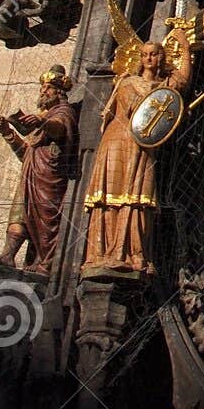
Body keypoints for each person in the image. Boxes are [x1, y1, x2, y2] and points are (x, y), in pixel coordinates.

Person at [81, 29, 191, 275]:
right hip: (119, 142)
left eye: (154, 54)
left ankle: (134, 253)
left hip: (143, 147)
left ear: (162, 58)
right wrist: (164, 90)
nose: (150, 59)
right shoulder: (128, 83)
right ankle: (103, 253)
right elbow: (141, 110)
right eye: (145, 55)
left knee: (139, 199)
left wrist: (183, 47)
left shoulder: (163, 86)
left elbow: (181, 82)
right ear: (140, 58)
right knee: (111, 197)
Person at [0, 67, 79, 274]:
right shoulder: (42, 119)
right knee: (19, 212)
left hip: (49, 176)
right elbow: (26, 152)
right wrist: (7, 132)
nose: (44, 92)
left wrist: (43, 121)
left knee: (46, 218)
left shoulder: (64, 112)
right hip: (31, 173)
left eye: (49, 88)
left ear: (59, 92)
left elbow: (61, 128)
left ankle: (47, 262)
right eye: (42, 88)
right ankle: (8, 255)